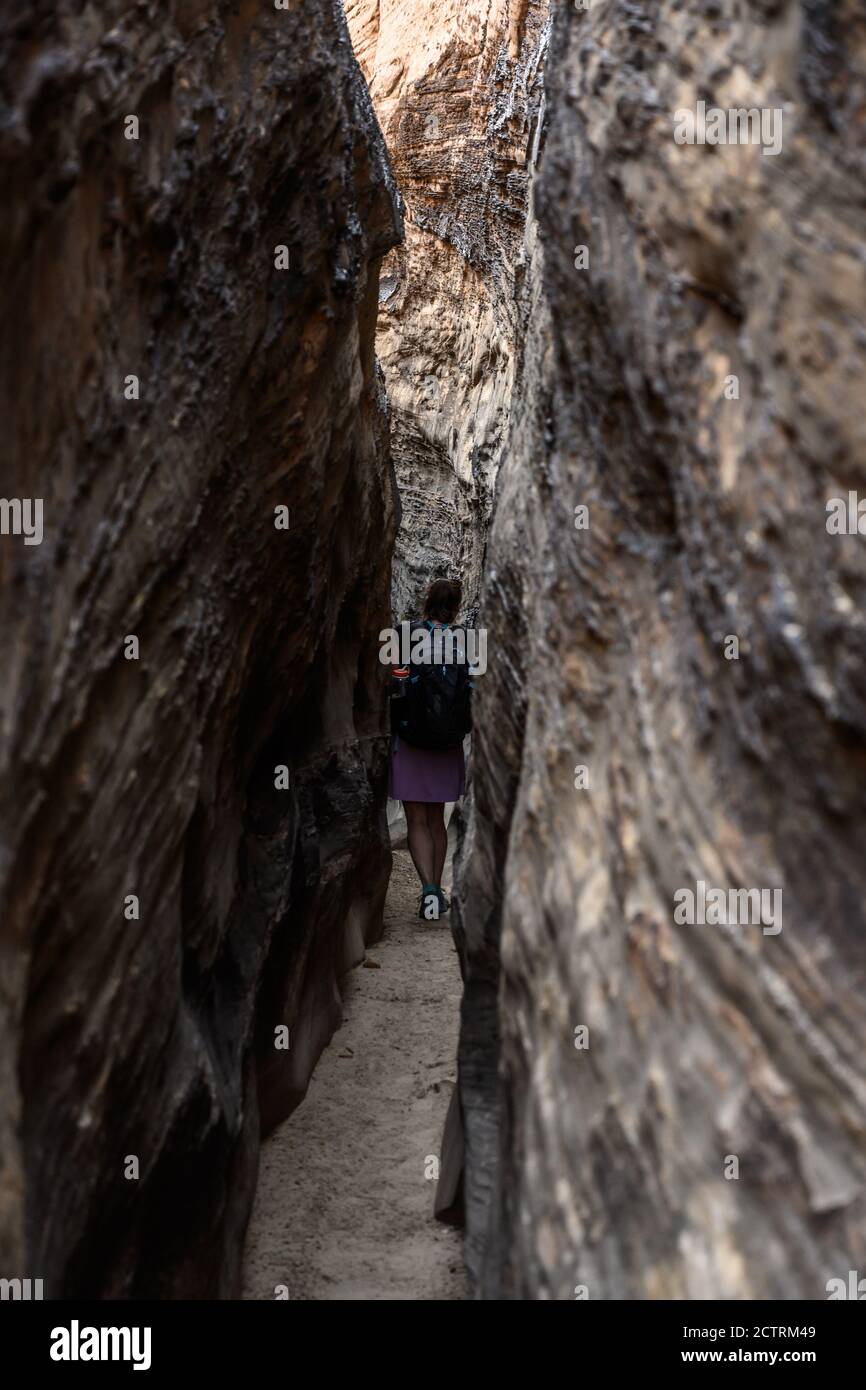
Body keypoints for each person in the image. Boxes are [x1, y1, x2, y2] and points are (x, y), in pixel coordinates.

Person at [388, 578, 471, 919]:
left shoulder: (405, 633)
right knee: (437, 820)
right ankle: (437, 892)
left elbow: (394, 678)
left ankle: (429, 892)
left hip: (411, 739)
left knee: (417, 819)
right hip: (447, 742)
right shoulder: (465, 640)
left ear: (427, 600)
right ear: (455, 606)